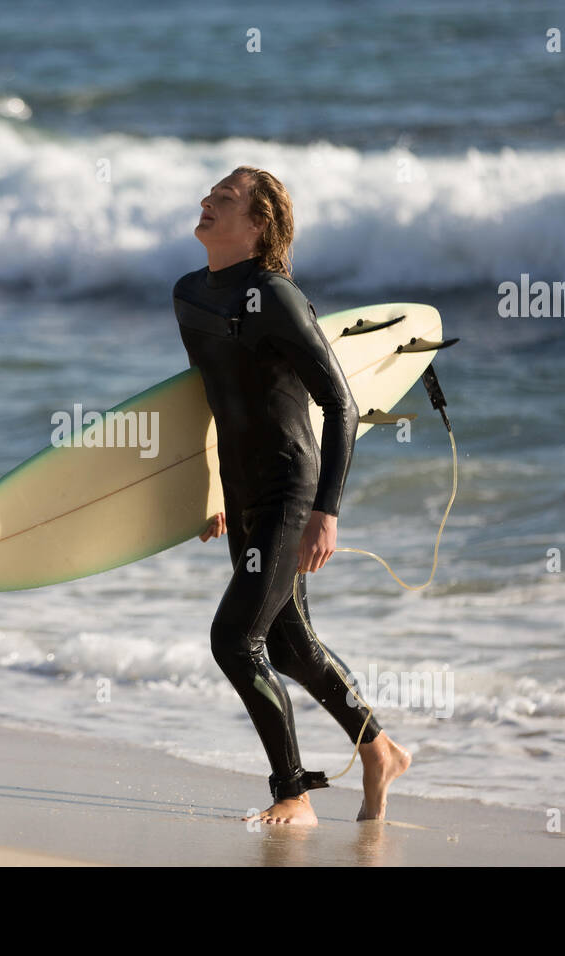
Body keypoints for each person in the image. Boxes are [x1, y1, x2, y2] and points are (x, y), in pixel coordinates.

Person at [172, 166, 411, 825]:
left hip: (289, 489)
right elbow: (206, 403)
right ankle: (380, 749)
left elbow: (340, 405)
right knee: (290, 644)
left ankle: (293, 793)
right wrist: (209, 492)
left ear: (257, 225)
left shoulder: (276, 297)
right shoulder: (190, 293)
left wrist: (325, 512)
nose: (206, 202)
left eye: (224, 199)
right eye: (209, 194)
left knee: (233, 640)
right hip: (244, 489)